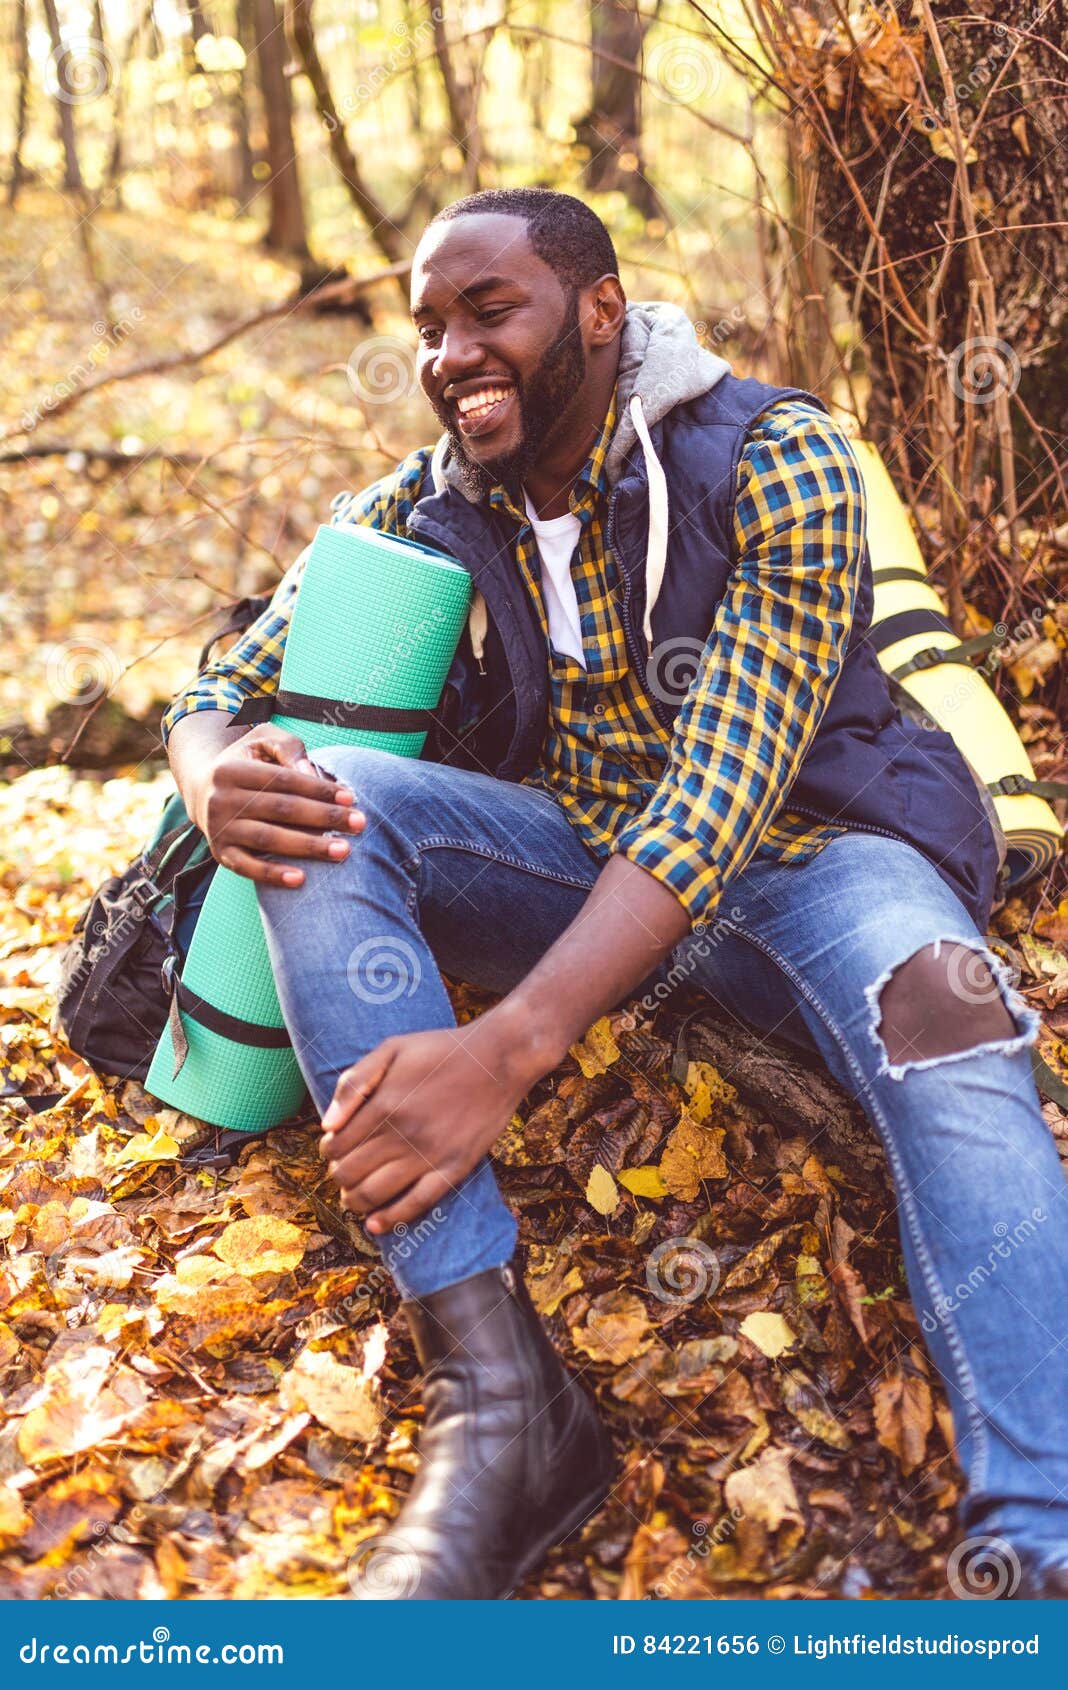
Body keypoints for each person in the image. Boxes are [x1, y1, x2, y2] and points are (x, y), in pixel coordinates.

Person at [162, 188, 1068, 1602]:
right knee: (321, 802)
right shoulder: (431, 500)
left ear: (600, 309)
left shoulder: (783, 455)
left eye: (490, 312)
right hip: (574, 864)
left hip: (831, 861)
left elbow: (721, 796)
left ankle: (1043, 1525)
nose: (450, 353)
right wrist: (214, 769)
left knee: (962, 1039)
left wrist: (508, 1049)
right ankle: (509, 1403)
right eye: (428, 328)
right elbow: (222, 678)